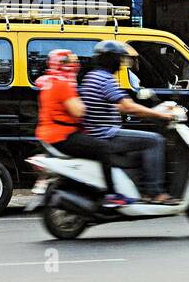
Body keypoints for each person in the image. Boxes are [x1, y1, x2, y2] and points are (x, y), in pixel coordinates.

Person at [78, 40, 177, 204]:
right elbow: (128, 106)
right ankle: (155, 193)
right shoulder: (105, 79)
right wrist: (160, 115)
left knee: (142, 146)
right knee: (155, 141)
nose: (121, 63)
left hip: (96, 132)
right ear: (112, 59)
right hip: (106, 134)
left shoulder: (92, 76)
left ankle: (140, 190)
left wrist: (149, 112)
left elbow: (117, 106)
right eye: (119, 58)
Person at [35, 48, 125, 205]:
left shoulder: (49, 81)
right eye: (70, 62)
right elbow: (79, 111)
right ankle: (111, 194)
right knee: (103, 148)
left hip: (48, 135)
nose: (75, 65)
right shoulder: (63, 84)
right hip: (63, 135)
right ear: (62, 64)